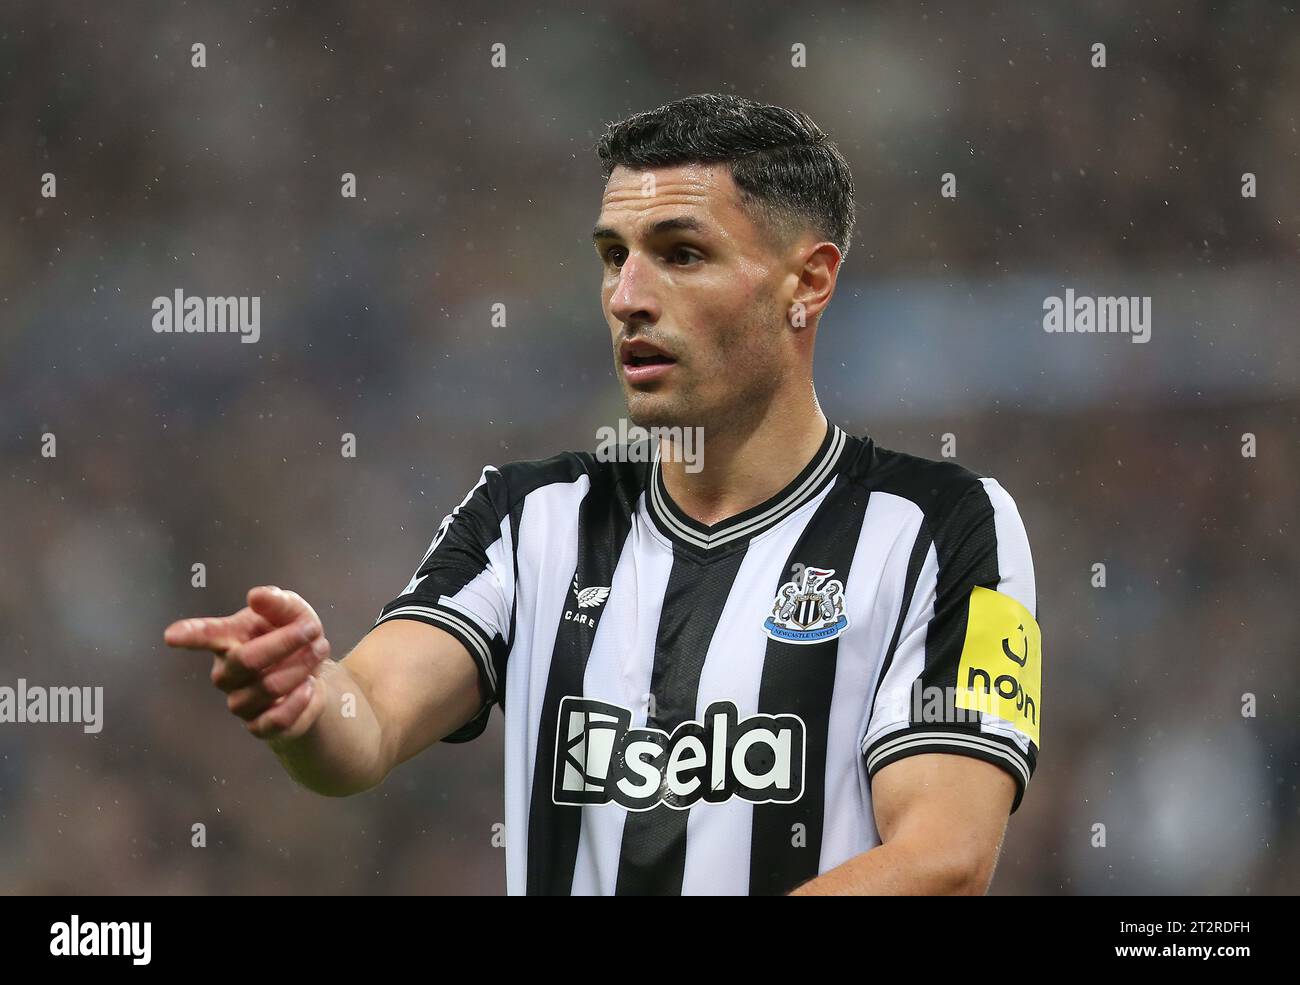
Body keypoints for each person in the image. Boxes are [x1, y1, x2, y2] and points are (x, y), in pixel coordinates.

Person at [165, 93, 1041, 895]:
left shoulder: (951, 527)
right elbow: (367, 726)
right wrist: (305, 703)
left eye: (680, 254)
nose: (627, 298)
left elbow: (946, 858)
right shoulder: (529, 518)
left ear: (806, 283)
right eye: (613, 257)